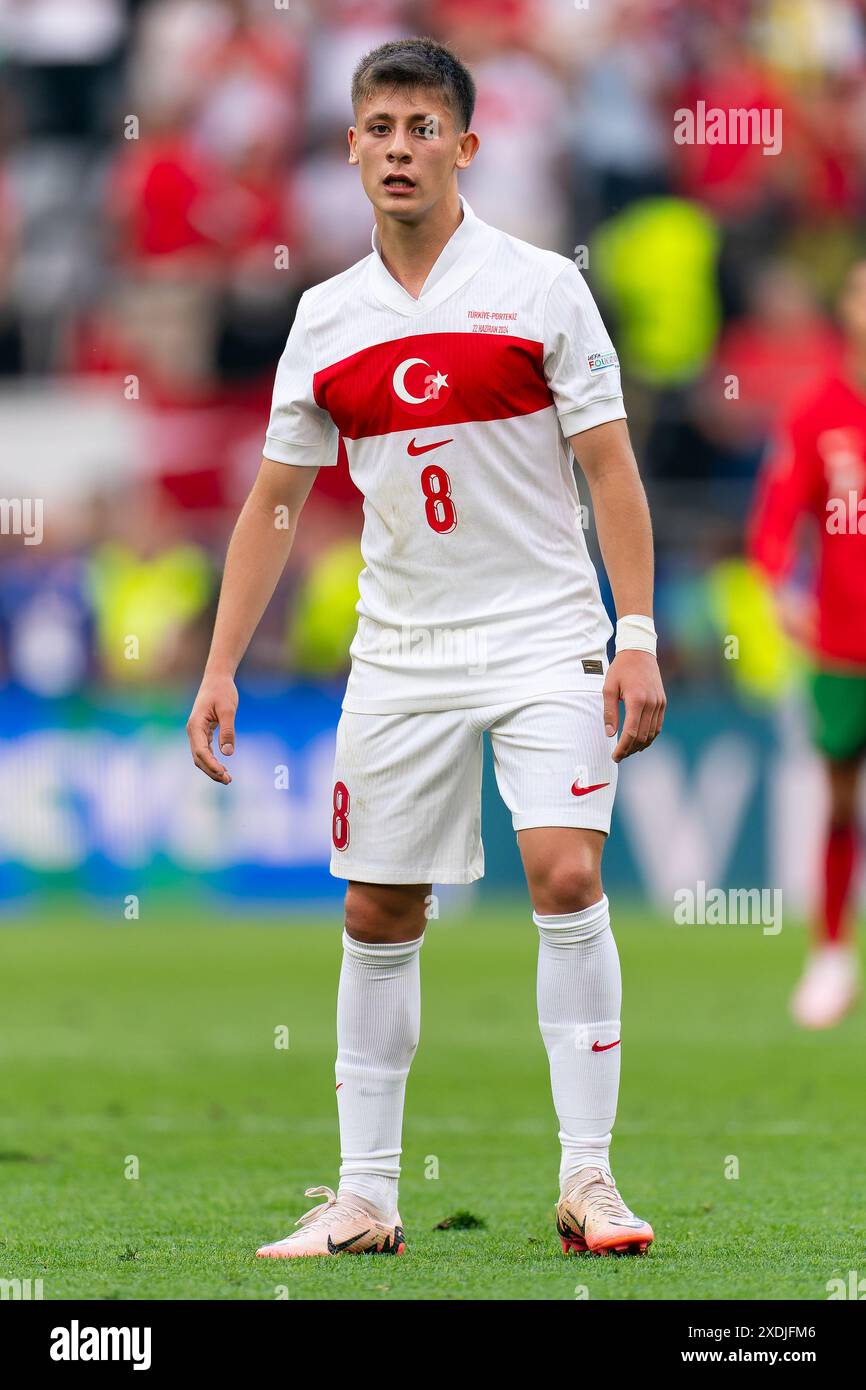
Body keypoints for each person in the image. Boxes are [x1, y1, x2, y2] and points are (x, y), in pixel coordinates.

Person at [186, 36, 665, 1258]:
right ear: (348, 146)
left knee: (563, 874)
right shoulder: (323, 320)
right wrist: (220, 663)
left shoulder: (539, 286)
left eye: (421, 128)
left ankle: (588, 1178)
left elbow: (609, 467)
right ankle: (364, 1195)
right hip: (400, 650)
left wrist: (636, 633)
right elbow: (276, 504)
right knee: (378, 908)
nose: (399, 149)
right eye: (378, 128)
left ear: (466, 142)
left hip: (542, 629)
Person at [749, 261, 866, 1030]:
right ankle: (829, 955)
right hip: (841, 643)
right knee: (839, 797)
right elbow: (774, 519)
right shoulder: (819, 407)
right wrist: (780, 586)